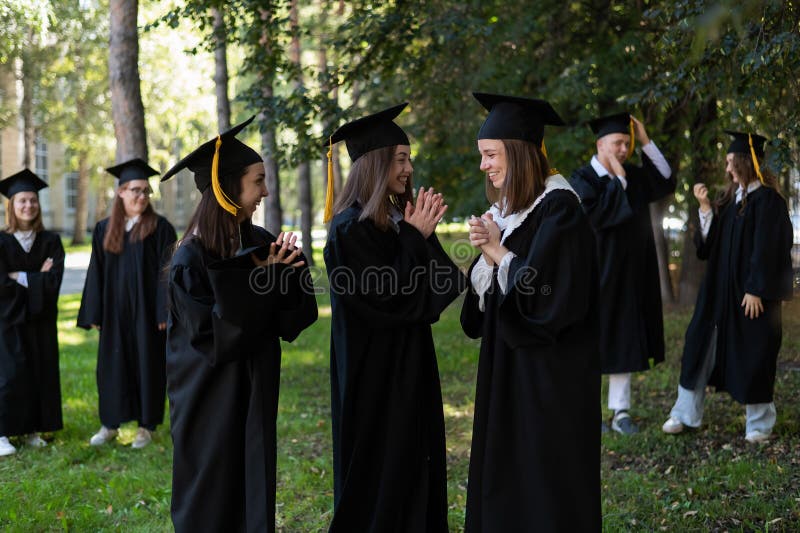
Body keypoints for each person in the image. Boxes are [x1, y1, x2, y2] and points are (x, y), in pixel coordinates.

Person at [162, 116, 317, 533]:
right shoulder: (190, 260)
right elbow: (212, 338)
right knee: (212, 492)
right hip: (208, 397)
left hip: (256, 389)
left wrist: (286, 276)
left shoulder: (262, 241)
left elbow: (296, 318)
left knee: (254, 484)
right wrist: (261, 283)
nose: (266, 191)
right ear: (228, 188)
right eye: (258, 181)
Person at [460, 93, 600, 531]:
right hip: (510, 369)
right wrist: (487, 254)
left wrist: (498, 251)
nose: (483, 165)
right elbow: (484, 306)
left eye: (490, 155)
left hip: (549, 377)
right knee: (508, 473)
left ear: (517, 154)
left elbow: (547, 295)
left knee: (544, 479)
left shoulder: (560, 209)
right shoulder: (510, 212)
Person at [323, 103, 465, 532]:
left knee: (415, 457)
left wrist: (422, 234)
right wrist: (412, 237)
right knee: (382, 467)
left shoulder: (394, 221)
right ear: (376, 164)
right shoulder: (348, 230)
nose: (408, 168)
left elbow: (437, 287)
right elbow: (387, 299)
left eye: (409, 159)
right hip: (373, 375)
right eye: (401, 159)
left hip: (410, 365)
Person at [662, 130, 793, 443]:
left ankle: (759, 424)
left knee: (755, 350)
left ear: (747, 163)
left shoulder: (768, 202)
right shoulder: (727, 201)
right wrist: (705, 208)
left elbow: (770, 248)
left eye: (732, 163)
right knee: (698, 344)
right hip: (717, 293)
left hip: (751, 295)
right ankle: (684, 414)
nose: (727, 170)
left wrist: (757, 287)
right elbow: (706, 249)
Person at [569, 112, 675, 434]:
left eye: (627, 144)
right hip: (595, 274)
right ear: (600, 144)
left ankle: (620, 411)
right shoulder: (582, 179)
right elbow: (598, 218)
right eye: (617, 143)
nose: (622, 150)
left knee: (625, 339)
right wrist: (618, 181)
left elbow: (667, 180)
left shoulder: (634, 173)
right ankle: (588, 409)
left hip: (631, 274)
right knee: (592, 341)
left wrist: (645, 141)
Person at [77, 158, 177, 449]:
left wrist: (164, 310)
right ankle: (110, 424)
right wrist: (94, 311)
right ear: (120, 192)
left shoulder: (161, 228)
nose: (142, 196)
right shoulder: (104, 229)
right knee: (112, 366)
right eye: (135, 190)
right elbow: (96, 271)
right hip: (115, 312)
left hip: (147, 312)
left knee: (149, 365)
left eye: (146, 191)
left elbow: (167, 273)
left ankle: (146, 426)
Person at [0, 169, 64, 457]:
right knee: (10, 374)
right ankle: (2, 432)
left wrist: (19, 277)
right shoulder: (0, 241)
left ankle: (32, 430)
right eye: (22, 201)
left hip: (40, 321)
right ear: (11, 205)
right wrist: (36, 276)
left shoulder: (50, 241)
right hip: (8, 320)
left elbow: (54, 282)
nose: (29, 205)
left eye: (33, 201)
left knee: (39, 372)